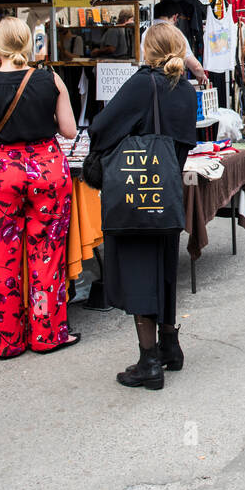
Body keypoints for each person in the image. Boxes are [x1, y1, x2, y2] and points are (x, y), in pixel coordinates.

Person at [0, 17, 79, 359]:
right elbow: (69, 131)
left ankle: (5, 339)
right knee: (47, 256)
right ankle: (46, 332)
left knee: (0, 258)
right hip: (46, 170)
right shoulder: (49, 80)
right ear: (29, 45)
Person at [88, 22, 198, 390]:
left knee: (138, 272)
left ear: (147, 50)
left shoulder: (143, 83)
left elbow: (101, 126)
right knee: (165, 270)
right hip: (167, 192)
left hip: (137, 190)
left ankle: (149, 360)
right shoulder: (184, 88)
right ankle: (170, 345)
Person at [154, 0, 209, 85]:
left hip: (148, 81)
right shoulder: (175, 34)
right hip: (169, 82)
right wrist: (201, 75)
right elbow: (196, 66)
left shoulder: (145, 32)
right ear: (175, 17)